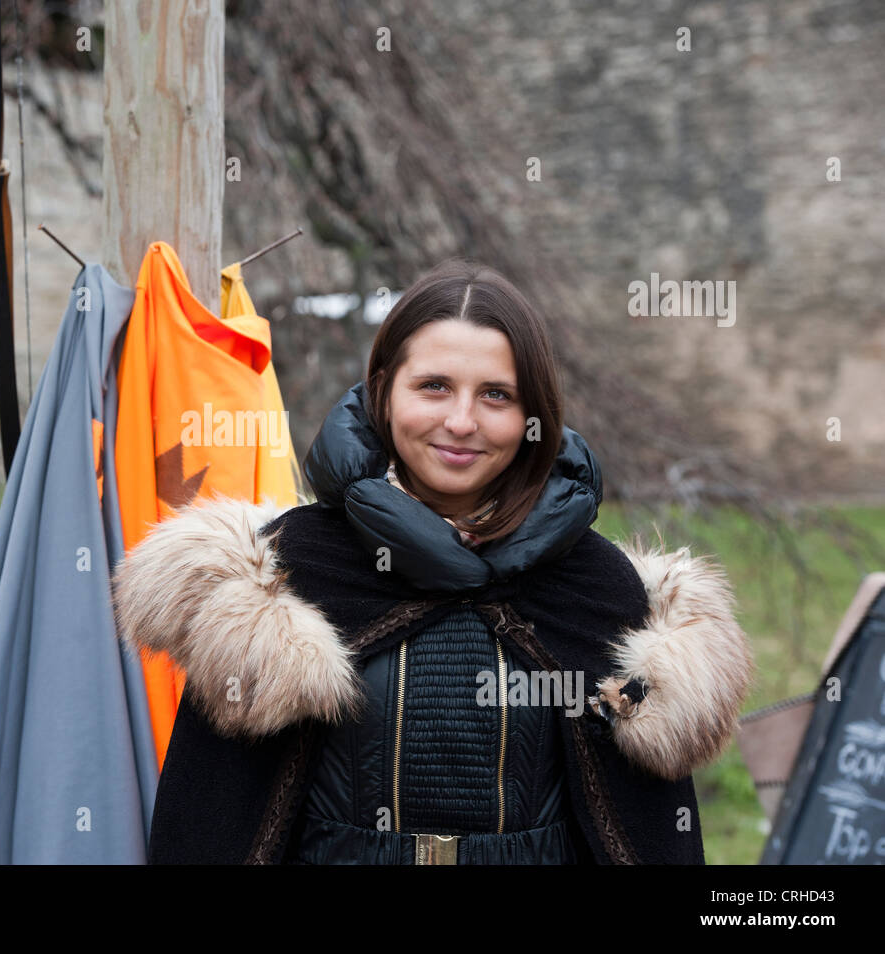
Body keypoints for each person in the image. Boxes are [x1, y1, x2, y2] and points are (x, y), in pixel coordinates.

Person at [111, 258, 754, 864]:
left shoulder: (596, 591)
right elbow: (213, 818)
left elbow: (645, 834)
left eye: (497, 395)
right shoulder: (286, 576)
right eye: (434, 387)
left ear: (535, 414)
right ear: (385, 392)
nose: (462, 420)